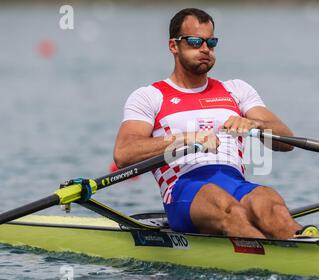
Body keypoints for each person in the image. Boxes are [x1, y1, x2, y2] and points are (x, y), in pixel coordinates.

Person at [114, 8, 302, 239]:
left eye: (211, 42)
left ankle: (306, 252)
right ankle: (265, 263)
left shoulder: (236, 90)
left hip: (235, 183)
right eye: (195, 42)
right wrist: (187, 138)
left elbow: (287, 140)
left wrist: (255, 124)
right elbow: (124, 153)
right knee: (227, 207)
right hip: (184, 189)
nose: (205, 49)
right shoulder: (150, 96)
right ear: (174, 46)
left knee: (270, 205)